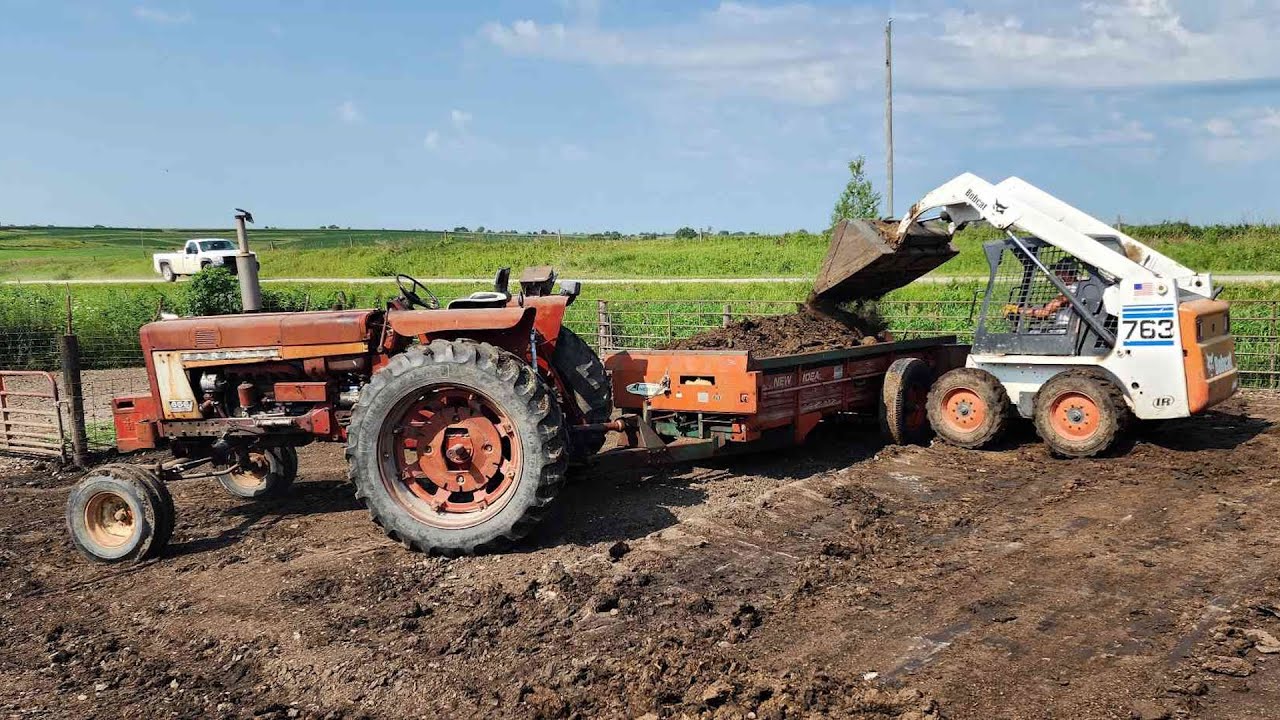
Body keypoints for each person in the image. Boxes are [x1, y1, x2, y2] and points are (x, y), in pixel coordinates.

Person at [1003, 260, 1080, 331]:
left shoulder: (1070, 290)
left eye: (1058, 272)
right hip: (1066, 329)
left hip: (1063, 331)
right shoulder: (1080, 287)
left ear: (1065, 273)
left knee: (1032, 333)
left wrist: (1017, 310)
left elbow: (1044, 312)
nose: (1056, 274)